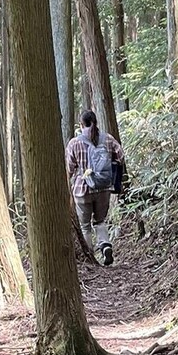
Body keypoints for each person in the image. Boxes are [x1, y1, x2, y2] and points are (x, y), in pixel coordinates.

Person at [65, 110, 124, 266]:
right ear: (96, 122)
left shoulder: (74, 143)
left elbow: (69, 168)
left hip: (81, 189)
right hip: (103, 187)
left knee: (85, 226)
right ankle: (105, 245)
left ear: (81, 124)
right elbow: (120, 156)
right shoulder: (108, 139)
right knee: (100, 221)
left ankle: (90, 258)